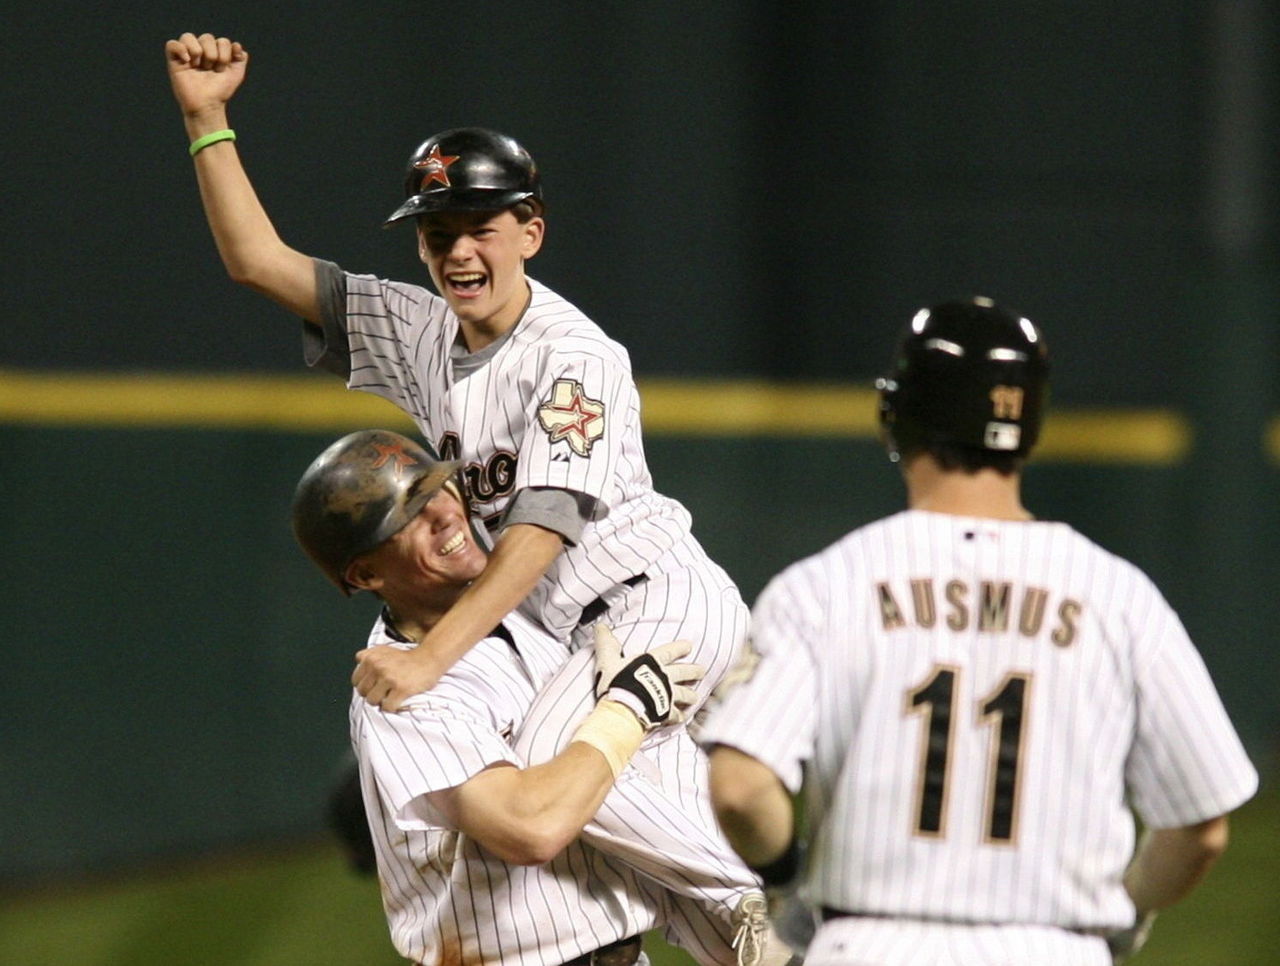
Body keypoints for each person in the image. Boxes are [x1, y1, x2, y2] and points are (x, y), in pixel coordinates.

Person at [166, 30, 775, 955]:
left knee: (534, 773)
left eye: (480, 228)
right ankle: (745, 912)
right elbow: (260, 262)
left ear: (530, 231)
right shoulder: (422, 330)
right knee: (544, 782)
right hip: (564, 632)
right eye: (437, 232)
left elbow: (542, 530)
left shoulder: (572, 357)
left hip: (650, 604)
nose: (458, 251)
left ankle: (746, 899)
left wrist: (431, 658)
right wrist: (207, 120)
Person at [698, 298, 1260, 966]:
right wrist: (1129, 906)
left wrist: (787, 876)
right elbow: (1200, 826)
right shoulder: (1119, 596)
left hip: (870, 942)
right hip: (1054, 948)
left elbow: (739, 787)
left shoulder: (828, 585)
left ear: (899, 417)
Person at [291, 428, 784, 966]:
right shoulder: (400, 694)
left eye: (435, 489)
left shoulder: (531, 614)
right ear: (364, 573)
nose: (441, 515)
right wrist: (627, 711)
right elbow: (531, 828)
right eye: (406, 518)